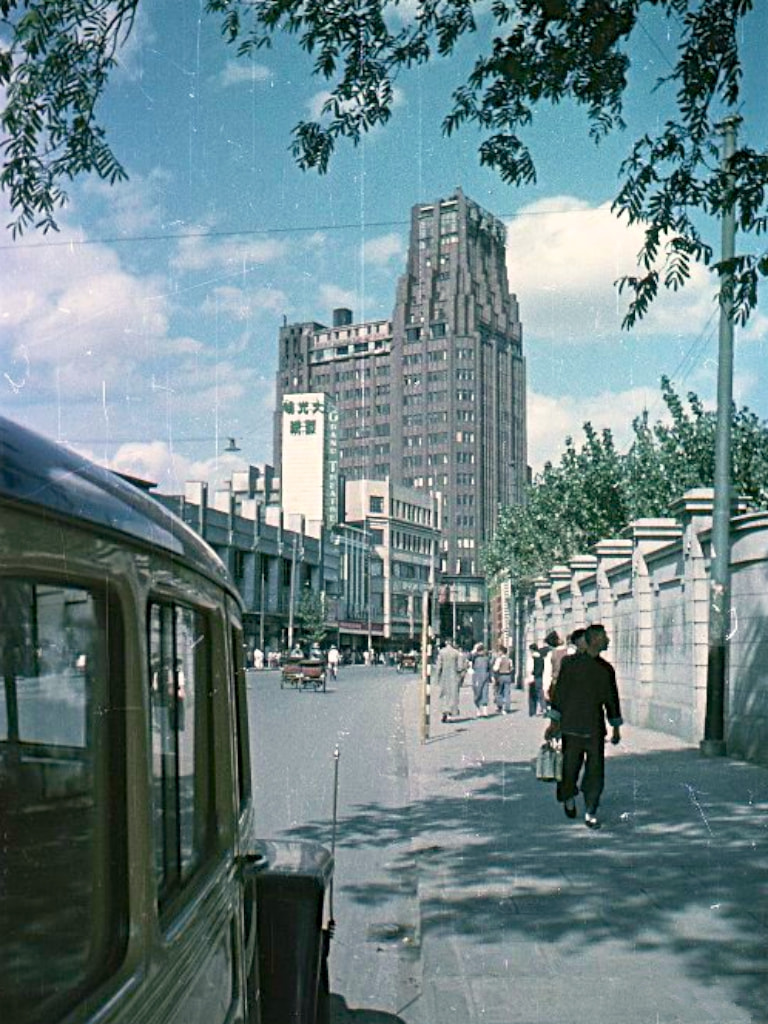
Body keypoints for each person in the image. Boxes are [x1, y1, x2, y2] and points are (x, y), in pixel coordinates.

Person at [544, 623, 622, 829]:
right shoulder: (570, 664)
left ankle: (590, 810)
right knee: (570, 768)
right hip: (571, 726)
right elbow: (560, 694)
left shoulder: (606, 669)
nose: (608, 640)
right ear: (594, 639)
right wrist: (554, 722)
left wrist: (615, 727)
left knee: (595, 771)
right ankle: (568, 797)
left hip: (594, 728)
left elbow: (611, 700)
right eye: (604, 637)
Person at [436, 638, 465, 722]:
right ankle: (450, 714)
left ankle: (444, 712)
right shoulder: (456, 653)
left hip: (444, 676)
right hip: (454, 676)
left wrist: (437, 677)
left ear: (445, 643)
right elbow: (460, 667)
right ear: (452, 643)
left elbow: (439, 666)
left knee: (443, 694)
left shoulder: (441, 652)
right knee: (452, 695)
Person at [470, 643, 492, 717]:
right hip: (477, 678)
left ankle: (485, 711)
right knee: (477, 695)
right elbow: (469, 658)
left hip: (485, 678)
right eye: (480, 651)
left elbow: (489, 668)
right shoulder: (474, 658)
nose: (481, 652)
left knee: (485, 694)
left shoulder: (486, 658)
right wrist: (474, 650)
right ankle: (478, 711)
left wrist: (490, 676)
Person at [492, 645, 514, 714]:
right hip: (508, 676)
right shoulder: (509, 660)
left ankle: (500, 706)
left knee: (500, 692)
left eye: (499, 651)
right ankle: (507, 707)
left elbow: (495, 668)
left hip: (501, 676)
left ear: (501, 652)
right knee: (507, 692)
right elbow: (512, 668)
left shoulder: (499, 659)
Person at [527, 642, 545, 717]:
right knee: (540, 694)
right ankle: (543, 708)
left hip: (533, 677)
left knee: (532, 695)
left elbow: (530, 669)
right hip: (540, 677)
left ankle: (532, 711)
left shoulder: (531, 657)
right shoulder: (541, 657)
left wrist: (529, 676)